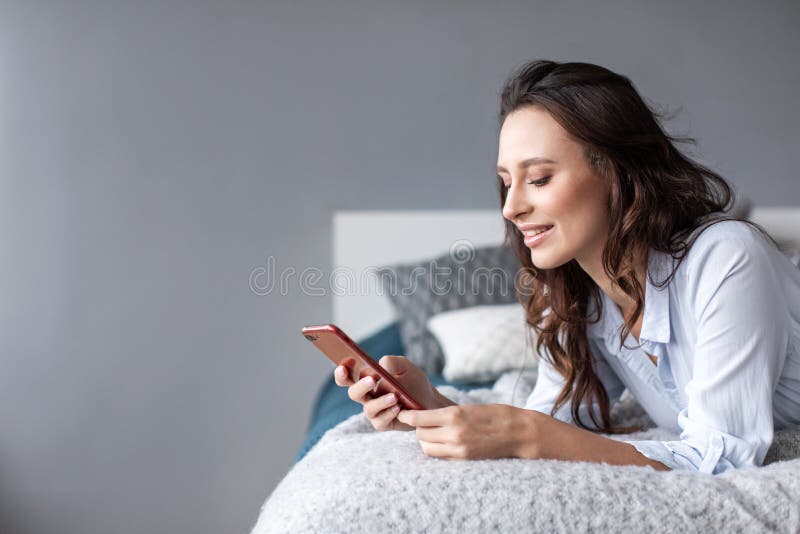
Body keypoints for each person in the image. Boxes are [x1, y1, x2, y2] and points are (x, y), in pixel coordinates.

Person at [333, 60, 800, 473]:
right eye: (505, 183)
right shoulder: (580, 294)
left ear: (617, 174)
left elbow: (721, 457)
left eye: (538, 178)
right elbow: (556, 425)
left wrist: (525, 435)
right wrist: (428, 405)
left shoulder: (727, 259)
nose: (510, 209)